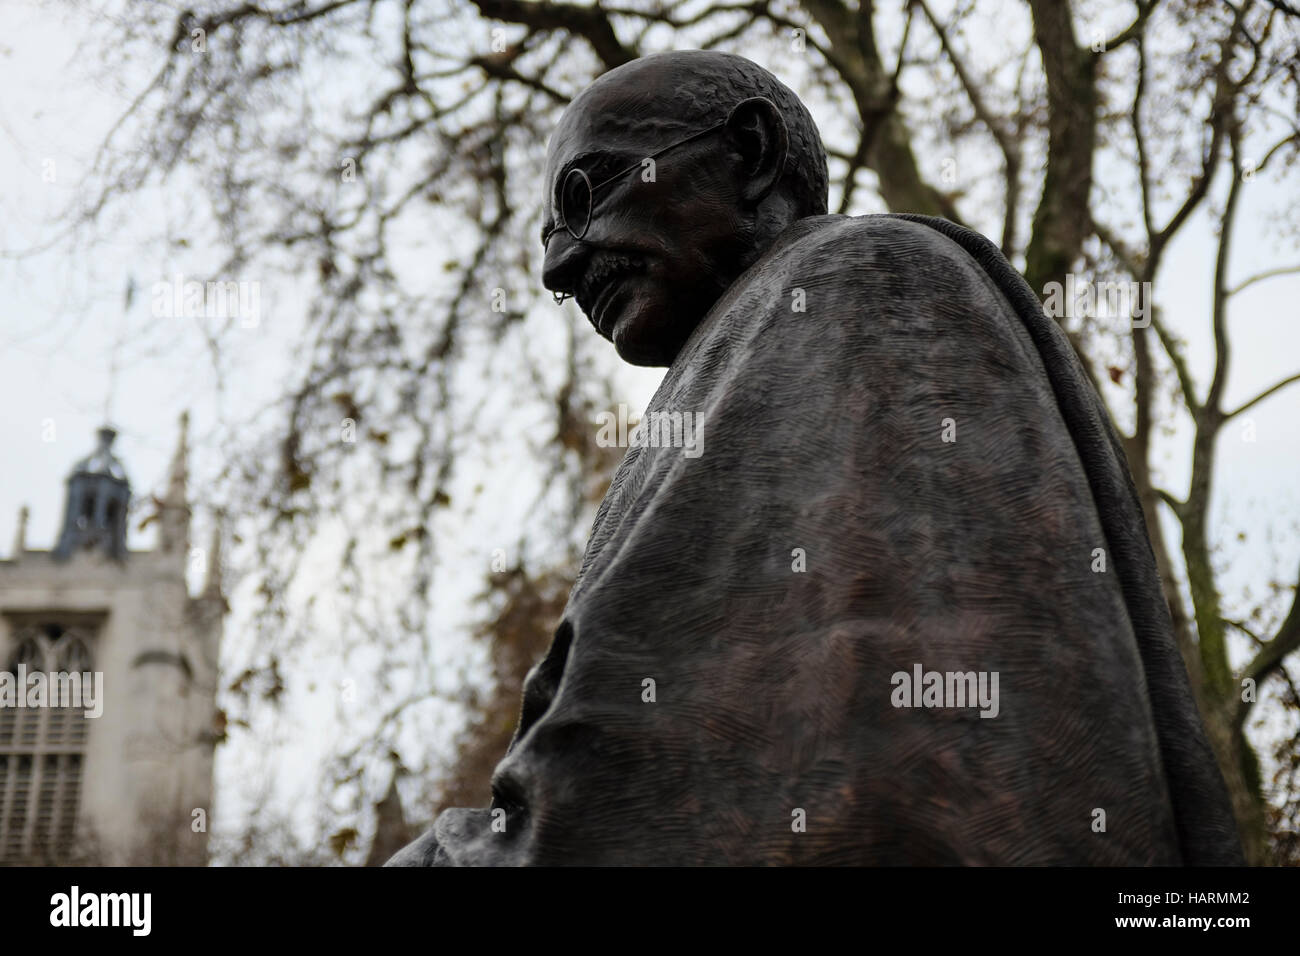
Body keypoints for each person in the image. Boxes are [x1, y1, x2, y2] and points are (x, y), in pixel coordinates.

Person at [389, 50, 1243, 866]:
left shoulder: (863, 279)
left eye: (589, 192)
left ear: (751, 155)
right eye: (550, 235)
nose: (559, 266)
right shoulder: (747, 352)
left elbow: (748, 742)